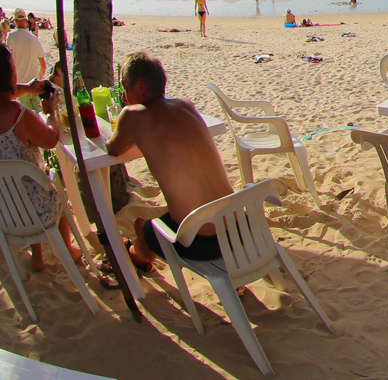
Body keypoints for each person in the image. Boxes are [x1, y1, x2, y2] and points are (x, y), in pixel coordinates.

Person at [109, 53, 234, 273]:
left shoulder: (132, 115)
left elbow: (113, 148)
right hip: (238, 228)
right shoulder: (186, 106)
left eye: (124, 86)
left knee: (141, 226)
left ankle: (137, 257)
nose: (123, 96)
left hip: (203, 244)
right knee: (172, 216)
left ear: (140, 86)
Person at [0, 46, 82, 275]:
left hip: (4, 211)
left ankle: (38, 259)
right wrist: (49, 114)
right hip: (34, 207)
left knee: (23, 185)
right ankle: (69, 250)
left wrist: (27, 88)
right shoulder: (19, 115)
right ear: (9, 74)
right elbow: (50, 139)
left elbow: (4, 95)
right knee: (52, 191)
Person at [7, 10, 45, 98]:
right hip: (34, 86)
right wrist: (39, 78)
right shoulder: (34, 38)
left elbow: (9, 61)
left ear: (15, 22)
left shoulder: (11, 37)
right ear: (25, 21)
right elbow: (43, 65)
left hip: (19, 85)